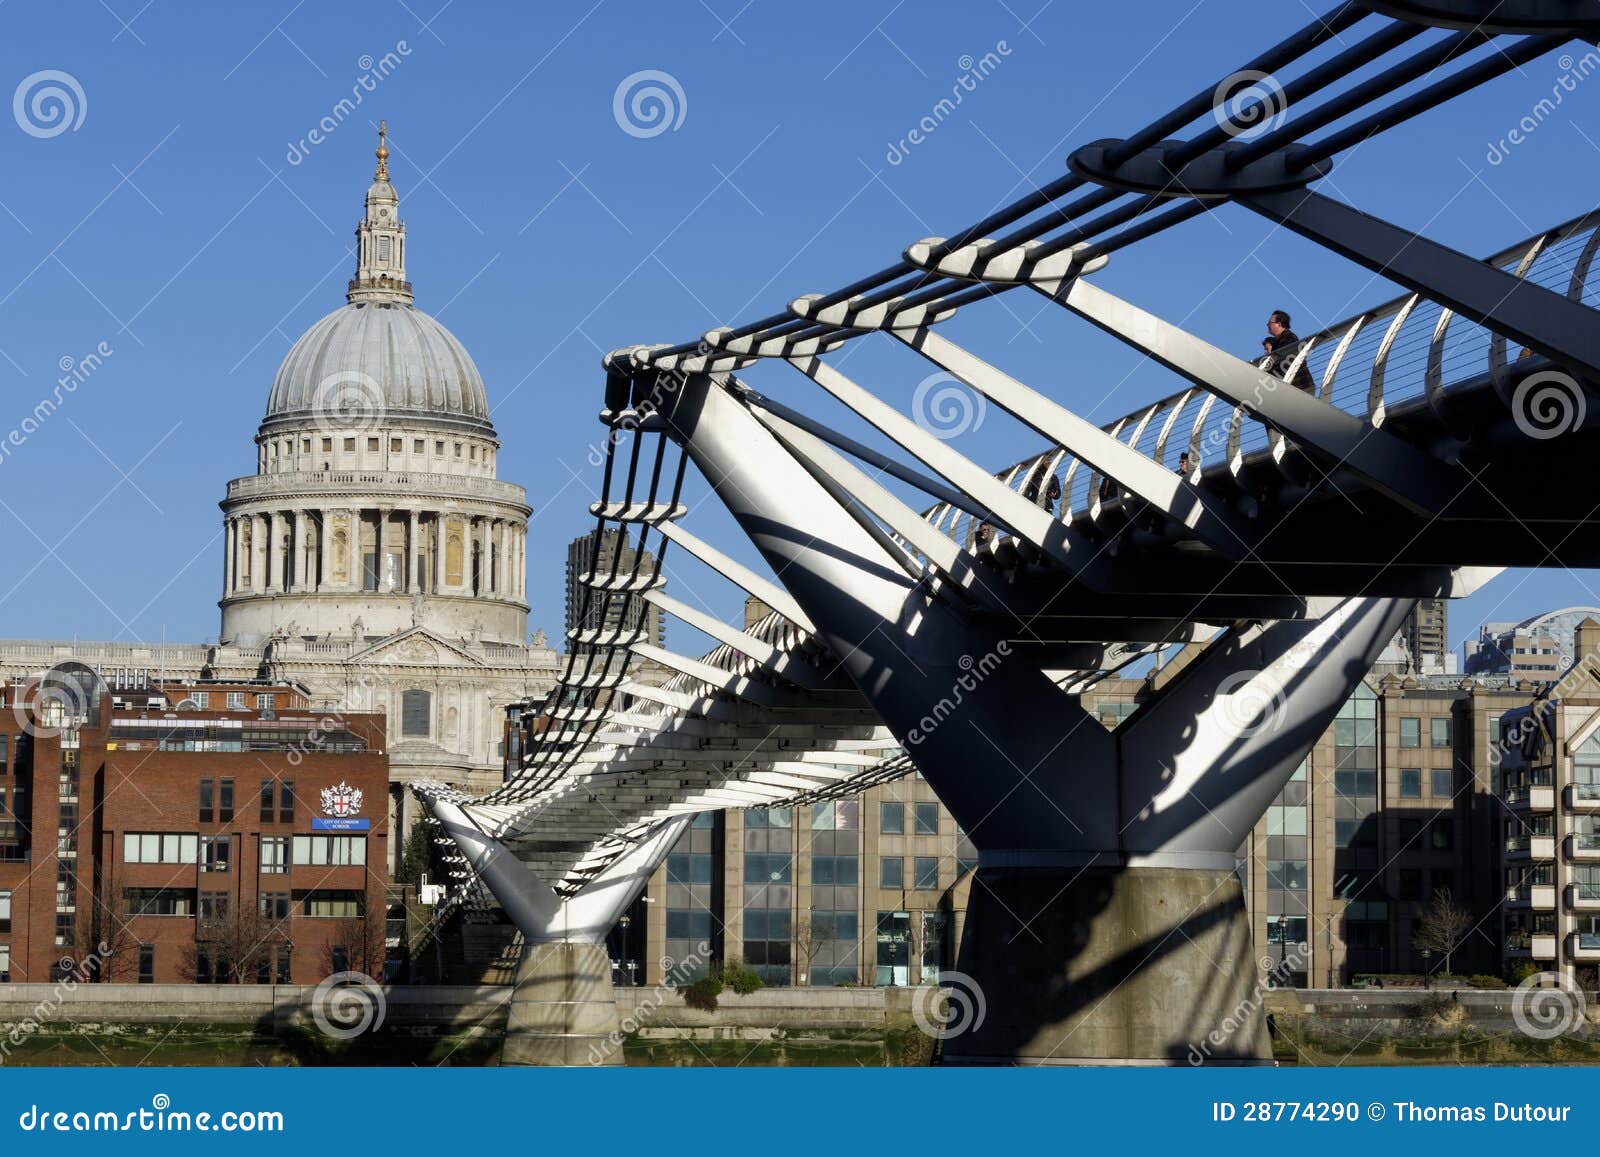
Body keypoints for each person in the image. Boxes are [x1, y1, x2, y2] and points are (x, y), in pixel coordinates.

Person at [1264, 309, 1316, 393]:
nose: (1267, 325)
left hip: (1301, 387)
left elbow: (1283, 362)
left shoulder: (1290, 339)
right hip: (1296, 387)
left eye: (1270, 322)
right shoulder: (1279, 341)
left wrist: (1265, 374)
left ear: (1279, 324)